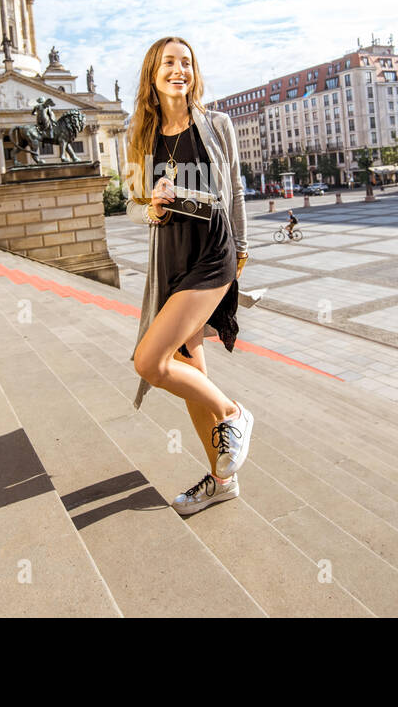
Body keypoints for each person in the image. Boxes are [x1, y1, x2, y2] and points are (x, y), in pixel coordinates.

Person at [124, 36, 253, 516]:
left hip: (213, 251)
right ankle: (223, 481)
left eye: (187, 63)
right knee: (191, 372)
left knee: (149, 362)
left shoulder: (217, 124)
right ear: (152, 74)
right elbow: (132, 208)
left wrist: (242, 251)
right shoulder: (140, 134)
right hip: (171, 257)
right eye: (169, 63)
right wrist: (152, 208)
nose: (179, 70)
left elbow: (235, 190)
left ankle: (234, 415)